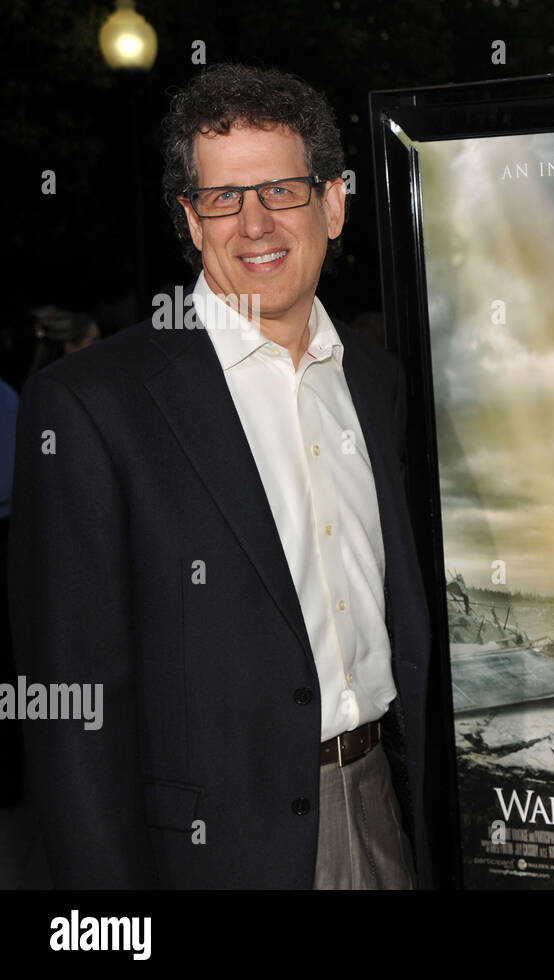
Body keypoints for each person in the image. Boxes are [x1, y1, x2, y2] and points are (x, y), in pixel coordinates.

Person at [8, 64, 433, 888]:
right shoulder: (92, 406)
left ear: (334, 202)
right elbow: (72, 717)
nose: (253, 225)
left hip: (382, 811)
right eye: (221, 199)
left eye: (279, 189)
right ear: (190, 222)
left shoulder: (376, 382)